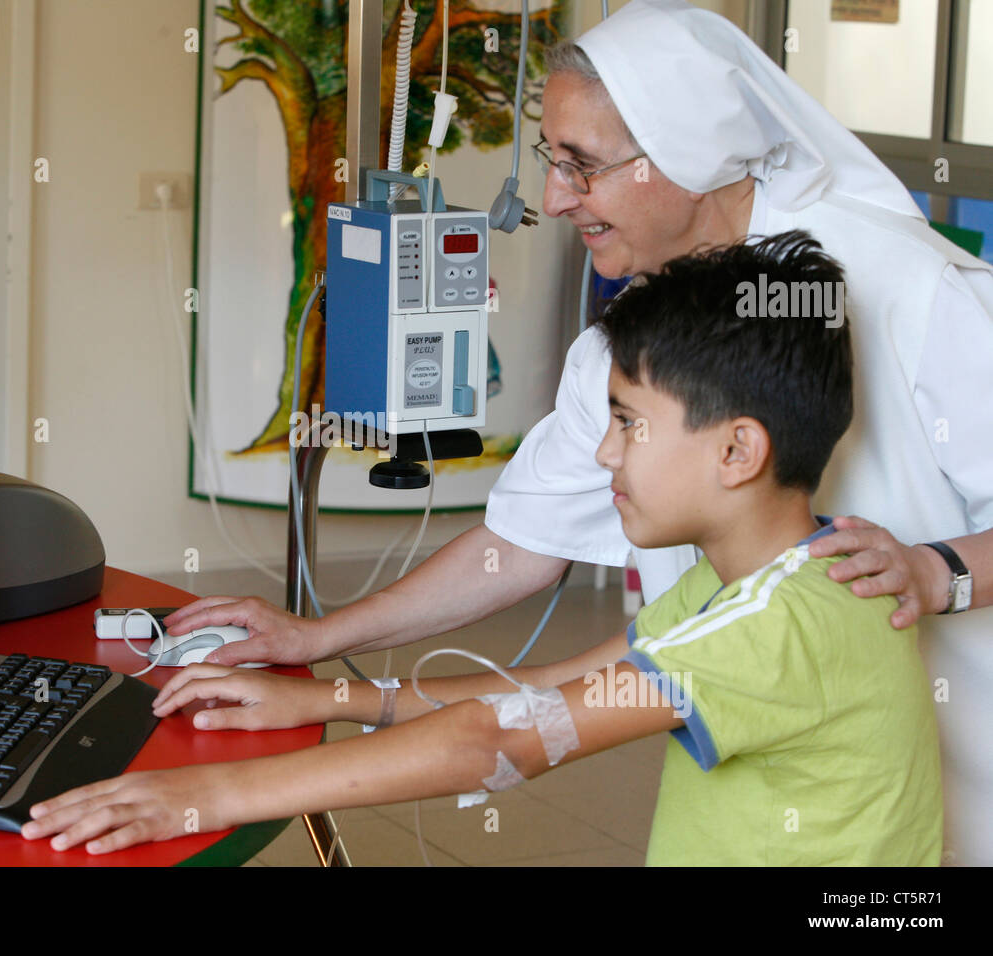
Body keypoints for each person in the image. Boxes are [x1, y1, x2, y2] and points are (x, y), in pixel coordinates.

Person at [152, 0, 993, 866]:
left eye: (581, 166)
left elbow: (505, 739)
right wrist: (317, 652)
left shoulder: (915, 294)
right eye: (551, 161)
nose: (553, 198)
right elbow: (524, 556)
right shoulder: (645, 363)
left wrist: (941, 571)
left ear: (686, 157)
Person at [22, 232, 942, 864]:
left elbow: (501, 739)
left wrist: (210, 797)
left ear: (739, 450)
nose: (604, 451)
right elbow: (548, 689)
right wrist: (323, 695)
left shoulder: (777, 622)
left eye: (628, 423)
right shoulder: (764, 578)